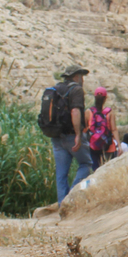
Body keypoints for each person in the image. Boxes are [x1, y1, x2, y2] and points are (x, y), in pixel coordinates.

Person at [51, 64, 94, 204]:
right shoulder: (76, 90)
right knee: (86, 164)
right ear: (76, 76)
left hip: (56, 136)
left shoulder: (56, 89)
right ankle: (71, 199)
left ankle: (62, 205)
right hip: (71, 135)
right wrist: (78, 134)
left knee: (61, 174)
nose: (83, 79)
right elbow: (75, 111)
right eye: (81, 76)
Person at [84, 86, 121, 170]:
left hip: (93, 146)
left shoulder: (88, 112)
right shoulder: (109, 112)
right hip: (108, 146)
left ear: (95, 97)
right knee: (108, 170)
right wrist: (119, 145)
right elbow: (114, 129)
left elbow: (85, 129)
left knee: (95, 171)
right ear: (105, 99)